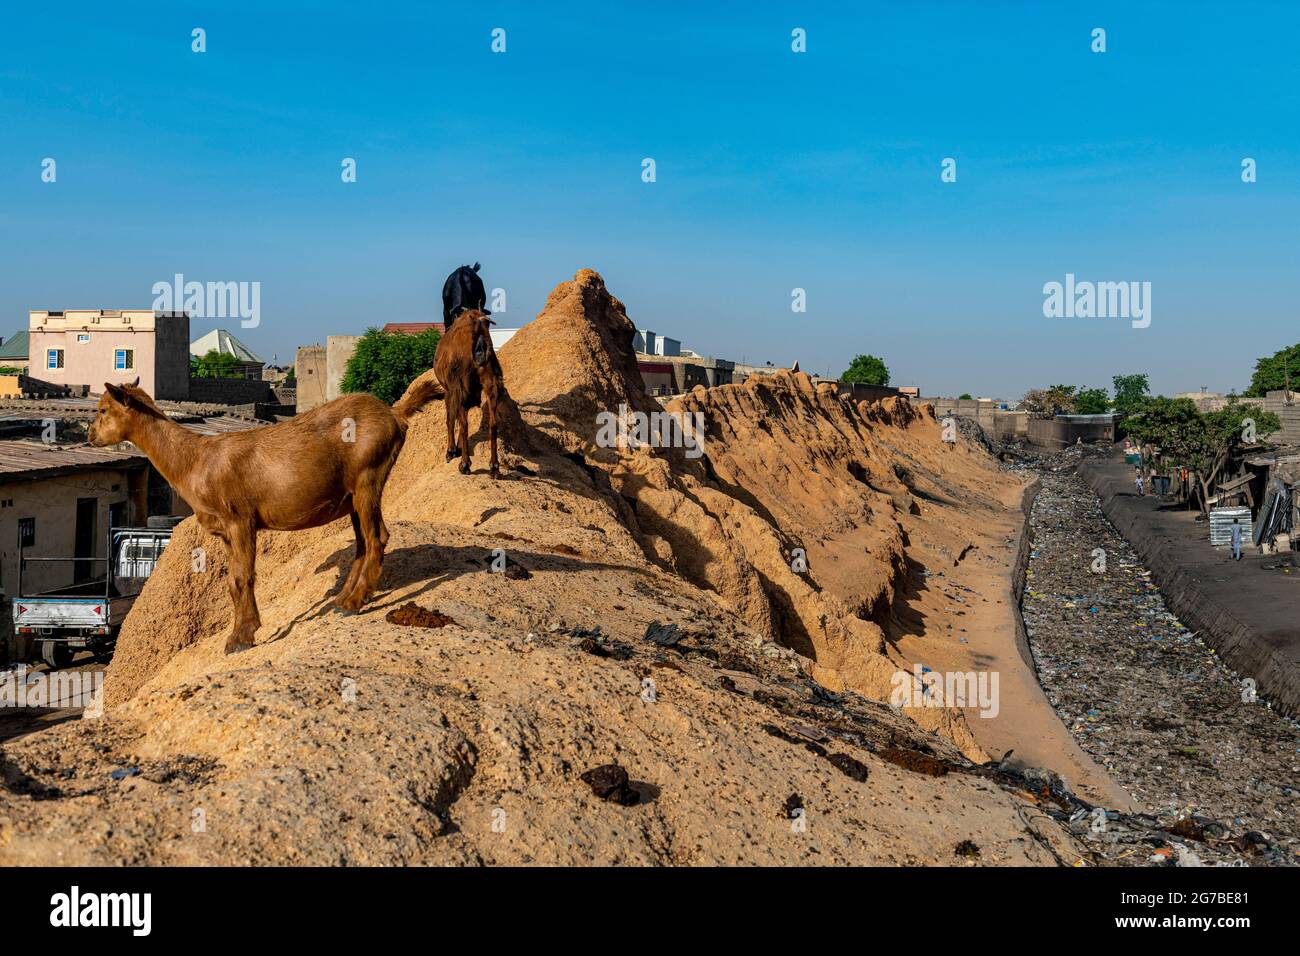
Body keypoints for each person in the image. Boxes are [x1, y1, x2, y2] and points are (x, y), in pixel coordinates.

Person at [441, 263, 489, 334]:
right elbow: (481, 297)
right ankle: (481, 309)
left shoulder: (451, 278)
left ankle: (447, 330)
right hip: (470, 304)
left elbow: (446, 310)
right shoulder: (475, 278)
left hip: (451, 302)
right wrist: (480, 308)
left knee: (446, 308)